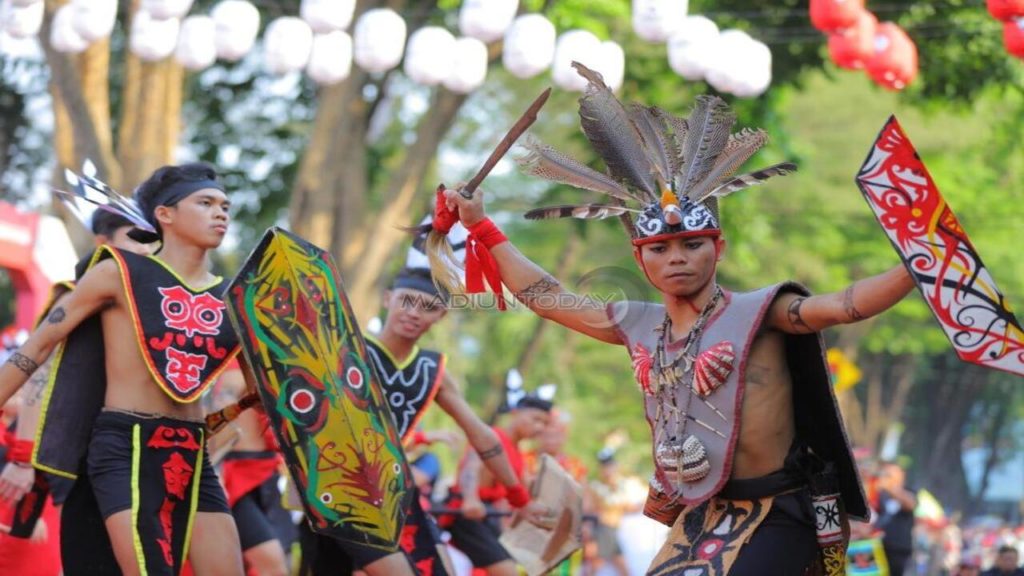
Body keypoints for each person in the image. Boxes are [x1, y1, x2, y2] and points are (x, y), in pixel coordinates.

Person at [434, 63, 917, 575]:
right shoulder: (635, 323)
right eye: (660, 249)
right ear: (641, 260)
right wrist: (482, 226)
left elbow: (845, 305)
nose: (678, 258)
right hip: (702, 515)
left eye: (692, 244)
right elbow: (546, 295)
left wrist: (920, 259)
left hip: (786, 509)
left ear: (719, 248)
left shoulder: (763, 312)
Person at [0, 163, 248, 575]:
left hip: (192, 450)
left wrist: (230, 414)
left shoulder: (235, 298)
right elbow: (37, 347)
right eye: (205, 203)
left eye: (224, 205)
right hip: (125, 446)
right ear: (164, 215)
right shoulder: (117, 273)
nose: (220, 213)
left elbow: (261, 389)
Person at [300, 265, 547, 576]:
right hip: (335, 488)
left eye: (428, 307)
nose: (414, 312)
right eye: (406, 300)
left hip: (396, 495)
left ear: (441, 316)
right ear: (388, 298)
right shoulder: (344, 349)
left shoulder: (433, 371)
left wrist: (520, 498)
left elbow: (482, 436)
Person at [0, 209, 153, 576]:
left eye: (152, 240)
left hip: (138, 453)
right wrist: (22, 459)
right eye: (136, 238)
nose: (147, 250)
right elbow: (41, 369)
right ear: (103, 244)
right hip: (74, 458)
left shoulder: (151, 304)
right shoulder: (77, 297)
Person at [442, 389, 553, 576]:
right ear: (515, 413)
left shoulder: (520, 453)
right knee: (506, 571)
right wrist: (471, 498)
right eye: (536, 419)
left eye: (545, 423)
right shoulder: (491, 437)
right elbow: (471, 466)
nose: (540, 427)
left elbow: (525, 491)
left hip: (489, 516)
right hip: (468, 514)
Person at [212, 362, 291, 576]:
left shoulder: (276, 358)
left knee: (274, 559)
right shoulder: (238, 361)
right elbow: (224, 399)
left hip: (268, 473)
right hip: (236, 477)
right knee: (271, 562)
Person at [876, 461, 917, 576]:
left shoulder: (910, 491)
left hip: (900, 548)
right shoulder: (882, 494)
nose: (887, 477)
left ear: (901, 474)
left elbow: (910, 504)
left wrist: (891, 488)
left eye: (891, 474)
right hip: (881, 545)